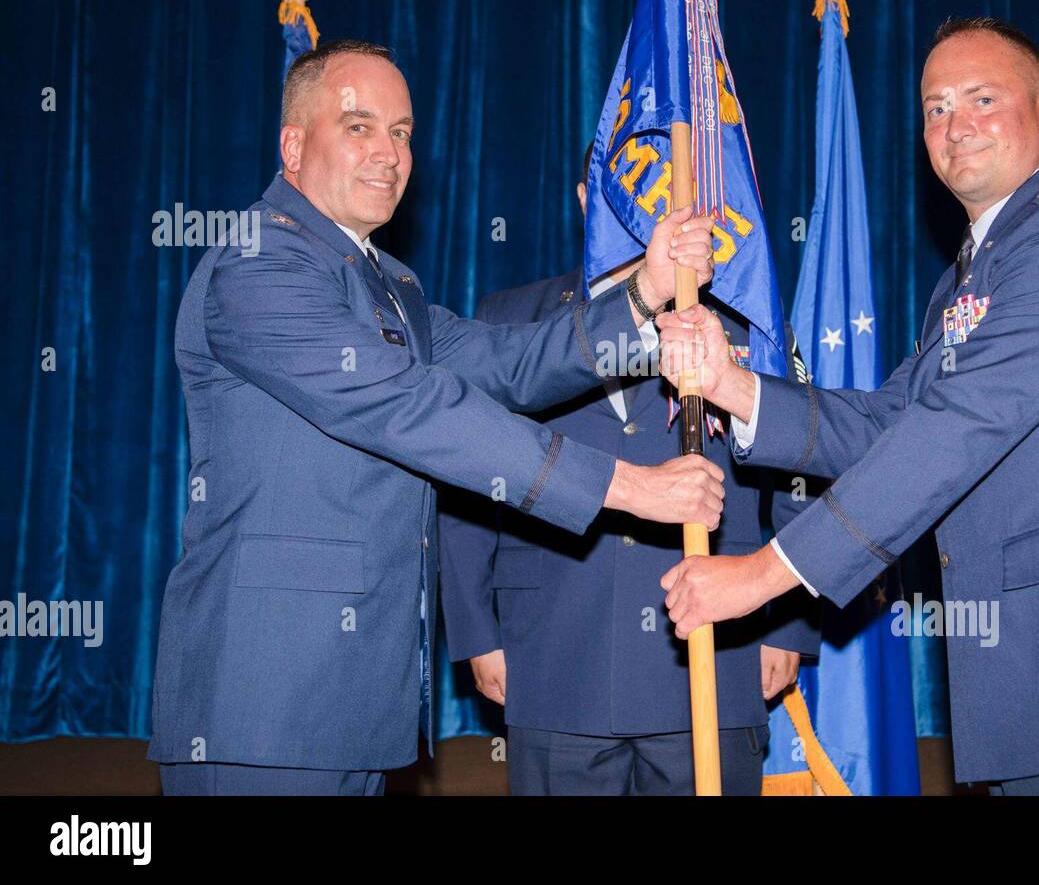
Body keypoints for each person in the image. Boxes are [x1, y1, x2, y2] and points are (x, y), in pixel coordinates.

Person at [655, 17, 1039, 795]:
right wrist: (732, 385)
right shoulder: (968, 279)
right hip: (1027, 697)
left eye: (982, 99)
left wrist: (763, 575)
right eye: (935, 108)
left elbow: (955, 434)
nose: (955, 126)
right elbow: (888, 426)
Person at [148, 39, 723, 795]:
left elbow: (506, 364)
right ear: (293, 145)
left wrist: (643, 294)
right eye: (359, 126)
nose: (389, 152)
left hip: (358, 700)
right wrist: (628, 488)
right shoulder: (257, 264)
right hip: (265, 699)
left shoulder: (389, 283)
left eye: (402, 131)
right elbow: (410, 406)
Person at [437, 148, 819, 795]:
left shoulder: (751, 320)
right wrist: (477, 632)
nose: (647, 208)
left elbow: (800, 476)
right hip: (554, 655)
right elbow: (467, 481)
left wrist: (786, 623)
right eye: (629, 190)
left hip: (715, 657)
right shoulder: (510, 320)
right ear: (587, 198)